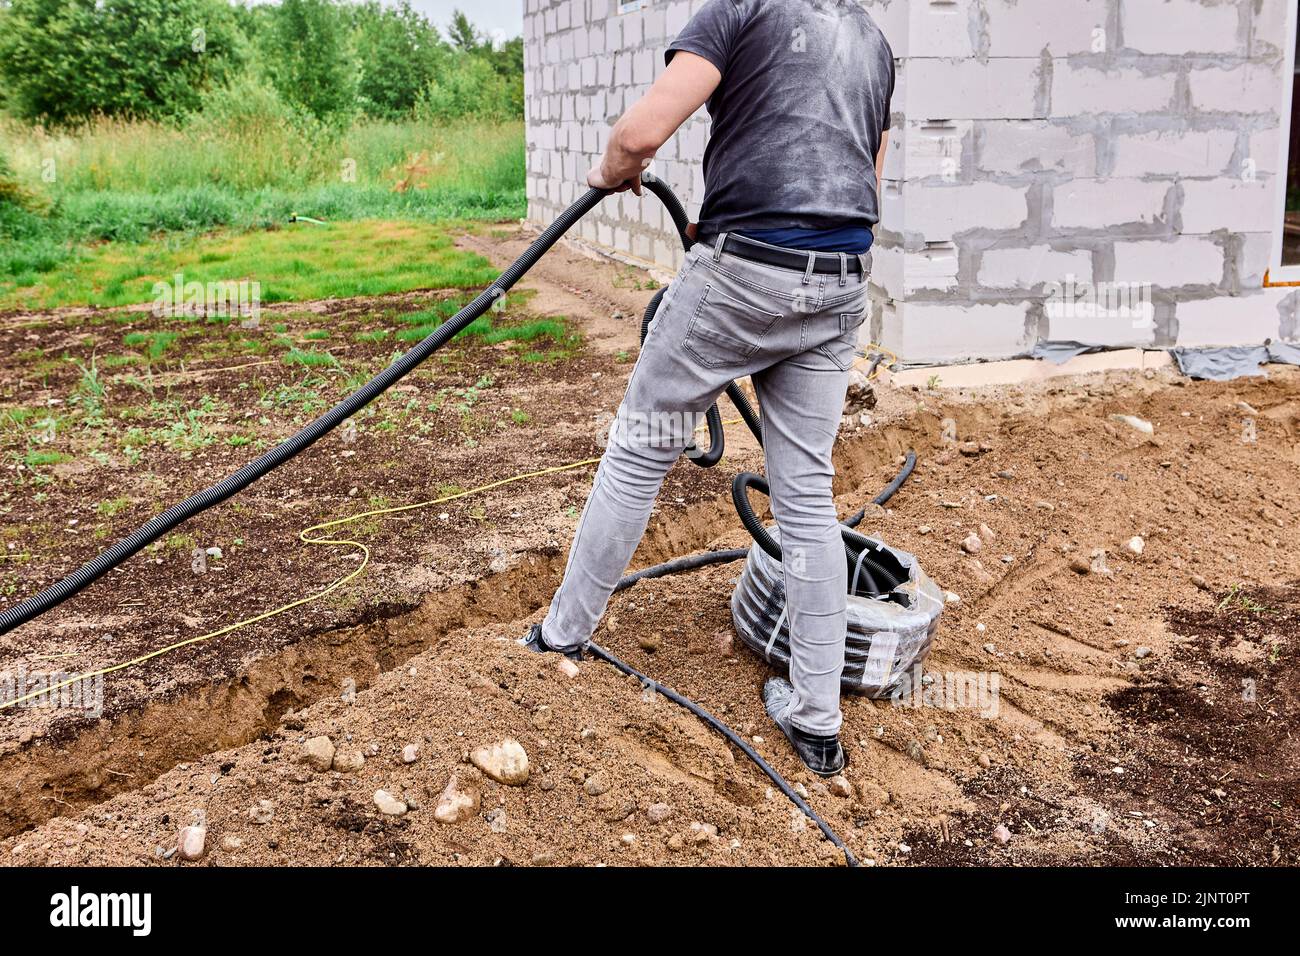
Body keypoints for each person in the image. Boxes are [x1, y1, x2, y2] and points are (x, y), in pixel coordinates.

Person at [520, 0, 895, 777]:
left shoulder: (740, 8)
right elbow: (865, 180)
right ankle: (817, 722)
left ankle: (563, 634)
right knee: (807, 499)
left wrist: (610, 171)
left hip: (743, 275)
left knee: (639, 450)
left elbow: (641, 136)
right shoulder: (871, 39)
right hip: (838, 287)